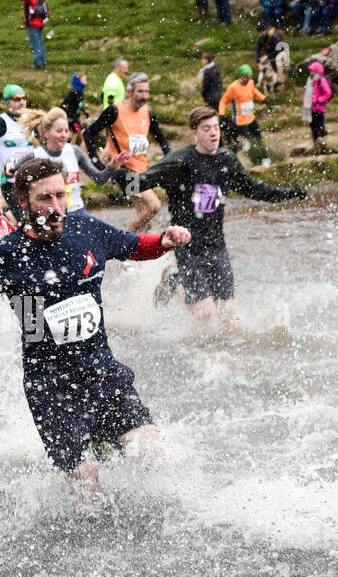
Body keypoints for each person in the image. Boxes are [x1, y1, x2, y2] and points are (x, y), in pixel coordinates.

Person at [0, 157, 190, 502]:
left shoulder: (85, 228)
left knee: (153, 453)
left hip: (101, 372)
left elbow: (133, 246)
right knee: (88, 489)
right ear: (24, 202)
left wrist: (165, 240)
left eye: (61, 195)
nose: (56, 207)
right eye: (45, 199)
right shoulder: (9, 254)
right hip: (50, 387)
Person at [141, 106, 306, 325]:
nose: (213, 133)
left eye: (216, 128)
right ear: (194, 133)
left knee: (228, 319)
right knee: (205, 313)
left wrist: (289, 194)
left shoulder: (227, 160)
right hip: (188, 247)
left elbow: (254, 189)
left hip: (217, 246)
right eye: (206, 128)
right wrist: (117, 178)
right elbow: (143, 179)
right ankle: (175, 280)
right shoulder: (180, 161)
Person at [83, 72, 172, 227]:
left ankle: (135, 248)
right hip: (124, 172)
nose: (144, 96)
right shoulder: (114, 111)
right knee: (154, 206)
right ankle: (126, 239)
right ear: (130, 92)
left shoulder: (147, 112)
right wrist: (97, 162)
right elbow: (89, 133)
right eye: (140, 91)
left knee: (146, 222)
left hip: (142, 170)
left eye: (146, 92)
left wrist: (170, 159)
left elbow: (161, 139)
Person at [25, 107, 130, 212]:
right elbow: (14, 179)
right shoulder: (35, 155)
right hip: (50, 215)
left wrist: (113, 165)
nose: (64, 135)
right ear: (45, 133)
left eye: (66, 131)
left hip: (77, 211)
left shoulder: (74, 152)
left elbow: (99, 179)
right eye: (59, 131)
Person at [0, 84, 32, 222]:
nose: (22, 102)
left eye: (24, 98)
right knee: (25, 222)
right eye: (17, 99)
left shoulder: (31, 120)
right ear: (7, 102)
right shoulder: (2, 122)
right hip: (10, 182)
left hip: (32, 180)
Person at [219, 65, 266, 149]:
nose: (248, 79)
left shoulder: (250, 83)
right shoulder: (233, 87)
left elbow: (254, 91)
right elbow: (223, 101)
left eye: (249, 77)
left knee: (259, 136)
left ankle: (261, 150)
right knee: (250, 139)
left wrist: (264, 99)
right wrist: (221, 114)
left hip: (251, 117)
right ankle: (250, 151)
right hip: (240, 120)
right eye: (246, 77)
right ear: (241, 76)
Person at [13, 0, 48, 68]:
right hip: (40, 22)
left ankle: (38, 63)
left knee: (35, 44)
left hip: (32, 23)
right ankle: (43, 61)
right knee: (40, 43)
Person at [302, 61, 332, 150]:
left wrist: (318, 100)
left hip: (319, 108)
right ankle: (316, 143)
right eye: (310, 71)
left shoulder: (320, 80)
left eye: (313, 71)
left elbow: (328, 93)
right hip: (311, 108)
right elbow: (310, 92)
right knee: (313, 126)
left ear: (318, 71)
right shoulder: (311, 80)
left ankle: (324, 144)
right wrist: (305, 99)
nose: (311, 72)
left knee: (320, 126)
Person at [60, 73, 89, 138]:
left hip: (75, 119)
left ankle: (68, 147)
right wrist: (70, 114)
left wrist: (85, 112)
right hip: (73, 120)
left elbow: (79, 105)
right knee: (82, 135)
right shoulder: (72, 93)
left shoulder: (80, 92)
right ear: (78, 81)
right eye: (84, 80)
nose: (86, 82)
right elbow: (62, 105)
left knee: (73, 136)